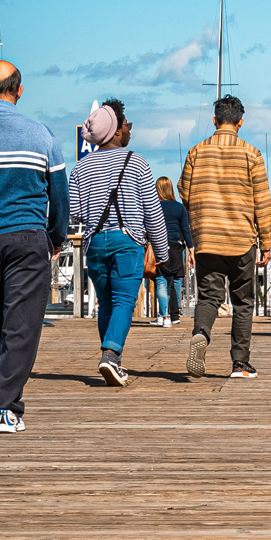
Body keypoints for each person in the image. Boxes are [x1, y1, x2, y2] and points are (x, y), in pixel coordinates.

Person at [0, 61, 67, 431]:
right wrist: (55, 237)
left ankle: (3, 396)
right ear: (19, 90)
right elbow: (60, 195)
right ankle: (7, 406)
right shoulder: (41, 136)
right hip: (27, 236)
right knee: (20, 322)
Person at [71, 99, 169, 385]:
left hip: (94, 243)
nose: (129, 131)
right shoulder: (136, 162)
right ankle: (111, 355)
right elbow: (152, 210)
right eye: (126, 126)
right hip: (127, 241)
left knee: (105, 303)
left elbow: (74, 210)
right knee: (125, 300)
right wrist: (162, 250)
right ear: (115, 131)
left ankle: (112, 360)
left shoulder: (82, 167)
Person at [181, 95, 271, 378]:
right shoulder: (252, 153)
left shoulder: (197, 152)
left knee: (209, 298)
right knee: (243, 301)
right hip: (242, 238)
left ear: (214, 120)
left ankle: (202, 333)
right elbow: (262, 201)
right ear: (240, 123)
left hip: (207, 239)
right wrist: (267, 242)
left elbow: (184, 192)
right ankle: (240, 363)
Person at [151, 176, 191, 326]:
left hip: (159, 246)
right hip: (177, 247)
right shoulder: (179, 207)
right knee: (175, 279)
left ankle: (164, 315)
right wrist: (191, 249)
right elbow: (186, 230)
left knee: (161, 281)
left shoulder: (154, 206)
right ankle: (175, 312)